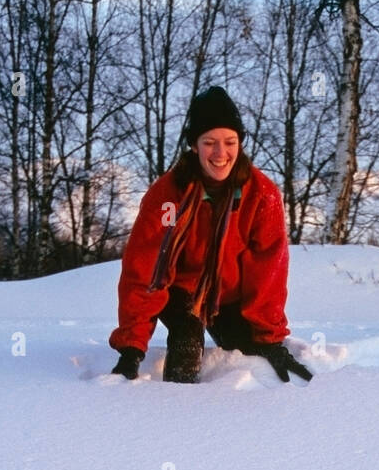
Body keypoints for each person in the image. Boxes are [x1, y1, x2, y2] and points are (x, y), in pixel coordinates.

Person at [109, 85, 311, 386]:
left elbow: (268, 272)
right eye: (209, 142)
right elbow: (147, 268)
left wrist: (270, 338)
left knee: (246, 346)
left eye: (230, 142)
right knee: (188, 335)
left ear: (240, 144)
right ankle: (176, 414)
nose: (220, 153)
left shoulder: (262, 195)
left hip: (227, 295)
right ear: (194, 145)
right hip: (177, 291)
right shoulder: (168, 197)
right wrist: (131, 348)